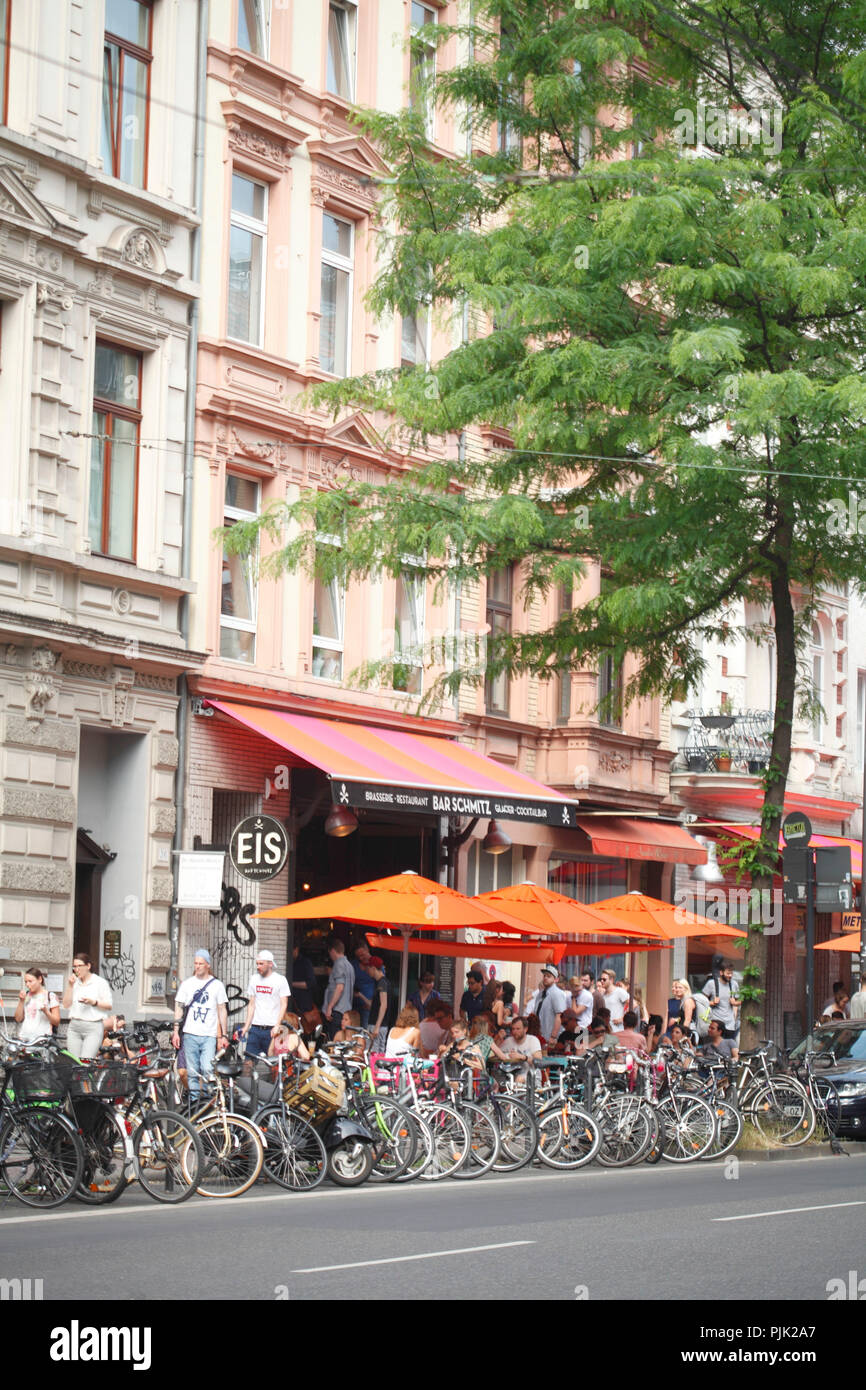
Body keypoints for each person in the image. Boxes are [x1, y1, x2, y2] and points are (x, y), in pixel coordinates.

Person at [171, 950, 229, 1103]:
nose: (197, 967)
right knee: (191, 1072)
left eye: (200, 964)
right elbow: (179, 1007)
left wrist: (224, 1035)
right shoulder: (188, 984)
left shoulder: (217, 985)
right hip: (190, 1033)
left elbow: (222, 1010)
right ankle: (195, 1104)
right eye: (195, 963)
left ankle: (208, 1101)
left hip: (209, 1034)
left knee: (207, 1068)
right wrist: (176, 1032)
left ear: (208, 965)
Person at [241, 949, 290, 1064]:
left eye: (261, 964)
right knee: (248, 1063)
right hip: (256, 1027)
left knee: (275, 1065)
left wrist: (277, 1025)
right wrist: (246, 1026)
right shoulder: (254, 979)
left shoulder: (280, 980)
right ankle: (250, 1081)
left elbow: (284, 1004)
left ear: (270, 964)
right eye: (257, 964)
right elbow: (251, 1004)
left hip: (273, 1028)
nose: (258, 966)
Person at [62, 952, 113, 1059]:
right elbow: (66, 1004)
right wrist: (70, 986)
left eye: (79, 966)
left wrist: (93, 1002)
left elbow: (108, 1005)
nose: (76, 969)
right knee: (74, 1063)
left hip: (93, 1026)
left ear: (88, 966)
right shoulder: (74, 983)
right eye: (74, 967)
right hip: (75, 1026)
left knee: (86, 1061)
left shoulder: (99, 982)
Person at [15, 967, 61, 1043]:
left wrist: (46, 1011)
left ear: (39, 979)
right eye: (26, 982)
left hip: (42, 1040)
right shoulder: (26, 995)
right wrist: (21, 1001)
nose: (27, 984)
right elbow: (18, 1019)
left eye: (30, 981)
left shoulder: (50, 996)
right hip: (24, 1038)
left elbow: (56, 1021)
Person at [527, 964, 570, 1044]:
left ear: (556, 979)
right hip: (539, 1036)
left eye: (549, 976)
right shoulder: (540, 994)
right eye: (544, 976)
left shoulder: (557, 993)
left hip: (550, 1037)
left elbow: (559, 1016)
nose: (545, 978)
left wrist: (553, 1036)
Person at [323, 935, 355, 1037]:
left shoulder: (338, 964)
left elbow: (340, 987)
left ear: (332, 951)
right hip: (347, 1010)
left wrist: (329, 1006)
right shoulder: (349, 966)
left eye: (329, 953)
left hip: (338, 1011)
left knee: (335, 1040)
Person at [702, 961, 741, 1039]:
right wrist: (712, 1002)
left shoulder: (734, 984)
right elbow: (702, 1001)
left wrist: (735, 1003)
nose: (730, 976)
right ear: (721, 972)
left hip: (730, 1024)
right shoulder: (711, 983)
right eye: (728, 973)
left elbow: (740, 1001)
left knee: (729, 1047)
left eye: (731, 973)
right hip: (716, 1024)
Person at [366, 955, 391, 1050]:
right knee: (379, 1054)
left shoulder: (382, 983)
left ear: (373, 968)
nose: (367, 971)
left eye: (368, 968)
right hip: (381, 1025)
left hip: (377, 1025)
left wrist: (377, 1026)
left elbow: (383, 1005)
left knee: (373, 1054)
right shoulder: (384, 982)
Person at [290, 942, 318, 1022]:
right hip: (291, 1003)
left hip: (303, 1005)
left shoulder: (305, 962)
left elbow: (311, 983)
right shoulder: (289, 961)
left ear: (296, 949)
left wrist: (291, 984)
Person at [599, 968, 630, 1032]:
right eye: (601, 979)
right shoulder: (602, 995)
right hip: (606, 1030)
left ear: (611, 980)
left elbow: (632, 1004)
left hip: (617, 1030)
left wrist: (622, 1018)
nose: (601, 981)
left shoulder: (619, 991)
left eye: (604, 979)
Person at [353, 943, 376, 1027]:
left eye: (362, 955)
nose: (361, 958)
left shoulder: (375, 963)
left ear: (367, 950)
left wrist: (372, 1002)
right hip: (354, 1005)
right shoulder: (354, 964)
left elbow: (380, 985)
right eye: (358, 956)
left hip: (368, 1006)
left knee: (365, 1032)